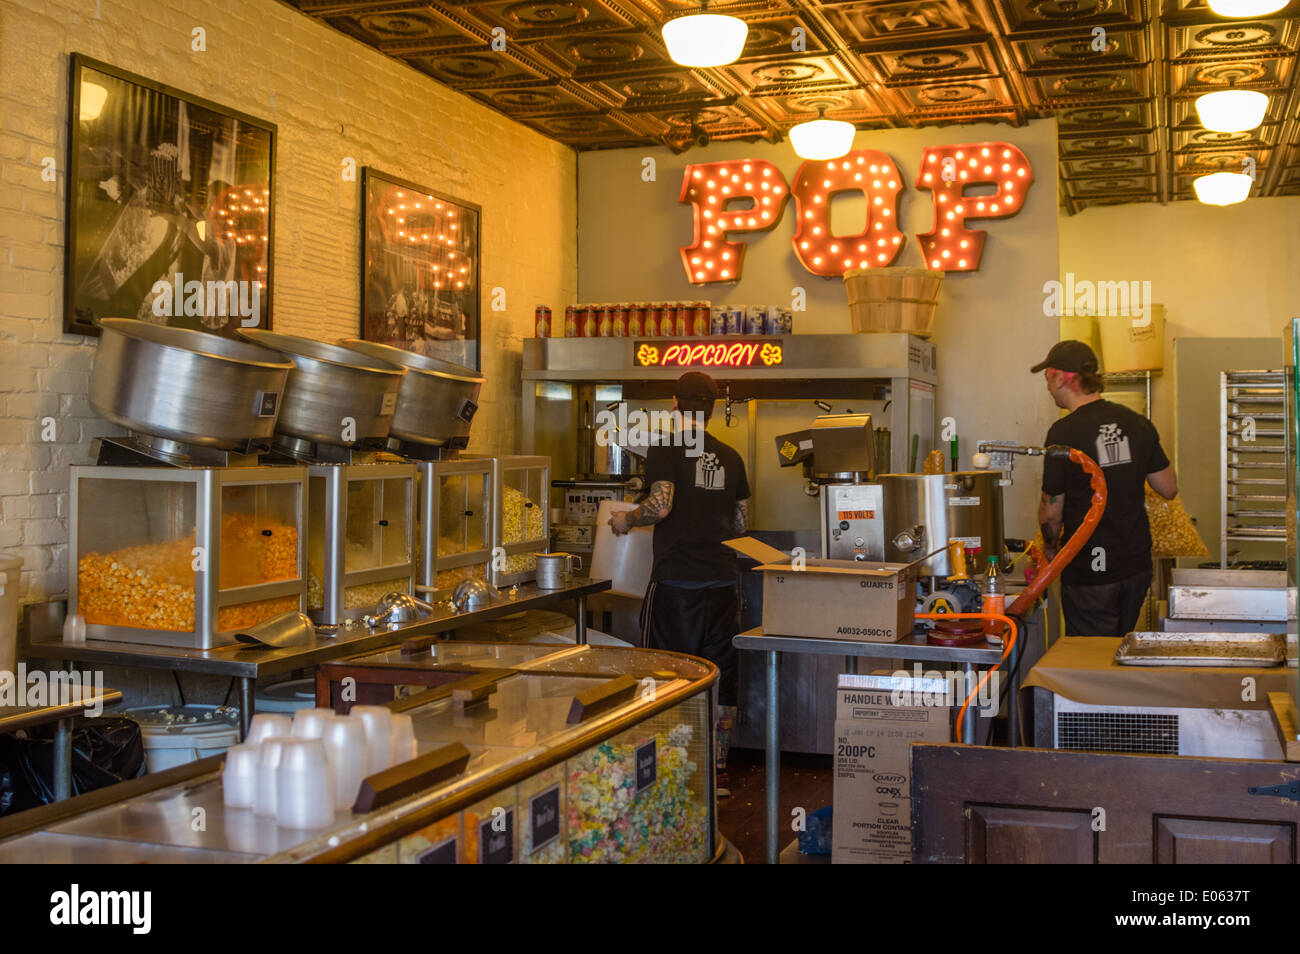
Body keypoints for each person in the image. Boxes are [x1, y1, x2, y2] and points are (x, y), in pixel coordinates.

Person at [608, 371, 750, 796]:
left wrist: (626, 519)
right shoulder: (731, 456)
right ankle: (717, 768)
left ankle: (669, 767)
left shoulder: (666, 448)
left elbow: (661, 506)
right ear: (709, 409)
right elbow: (742, 523)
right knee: (720, 673)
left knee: (666, 671)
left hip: (676, 582)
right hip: (722, 583)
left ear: (675, 403)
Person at [1033, 340, 1178, 636]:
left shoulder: (1063, 433)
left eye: (1048, 376)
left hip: (1089, 569)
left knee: (1090, 660)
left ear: (1063, 377)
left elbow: (1052, 511)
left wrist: (1050, 549)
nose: (1047, 386)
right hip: (1135, 566)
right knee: (1116, 651)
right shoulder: (1137, 423)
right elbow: (1168, 487)